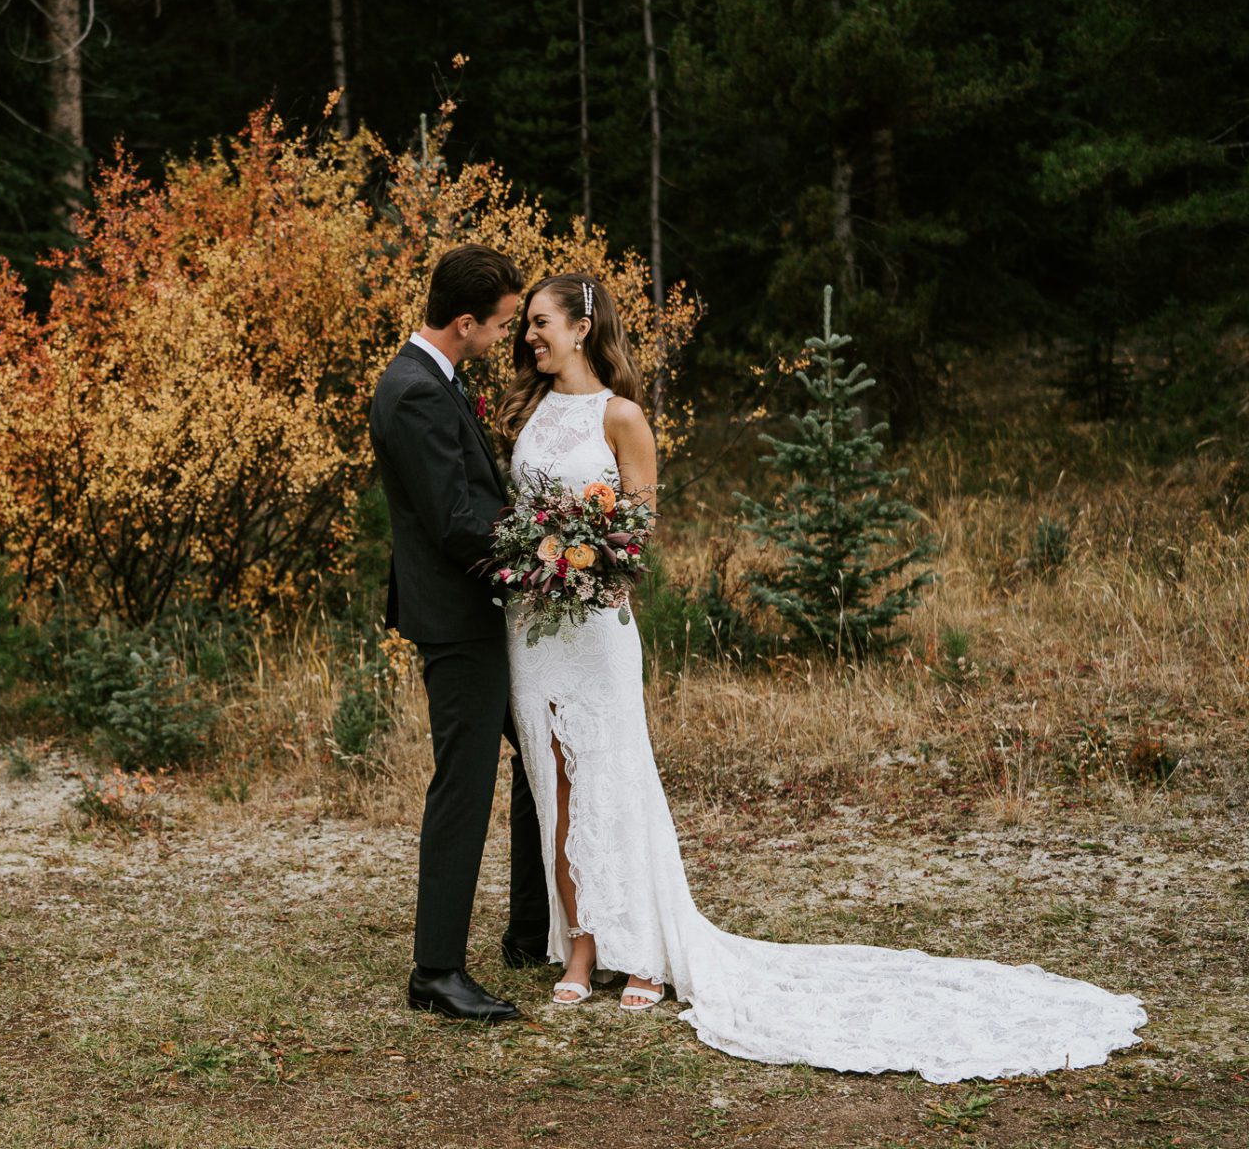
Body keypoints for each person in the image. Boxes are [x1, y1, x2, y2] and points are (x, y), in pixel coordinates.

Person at [494, 271, 1148, 1081]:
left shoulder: (621, 416)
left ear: (582, 327)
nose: (531, 336)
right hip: (533, 627)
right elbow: (517, 516)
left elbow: (639, 526)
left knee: (613, 775)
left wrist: (589, 561)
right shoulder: (528, 413)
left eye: (541, 322)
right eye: (527, 325)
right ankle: (580, 948)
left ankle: (645, 953)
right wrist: (536, 558)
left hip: (595, 625)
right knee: (554, 784)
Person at [368, 244, 552, 1023]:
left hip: (481, 612)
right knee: (464, 786)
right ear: (466, 321)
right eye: (503, 323)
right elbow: (454, 520)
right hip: (457, 620)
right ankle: (436, 971)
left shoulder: (436, 379)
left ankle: (531, 933)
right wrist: (547, 550)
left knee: (542, 754)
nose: (508, 336)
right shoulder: (413, 390)